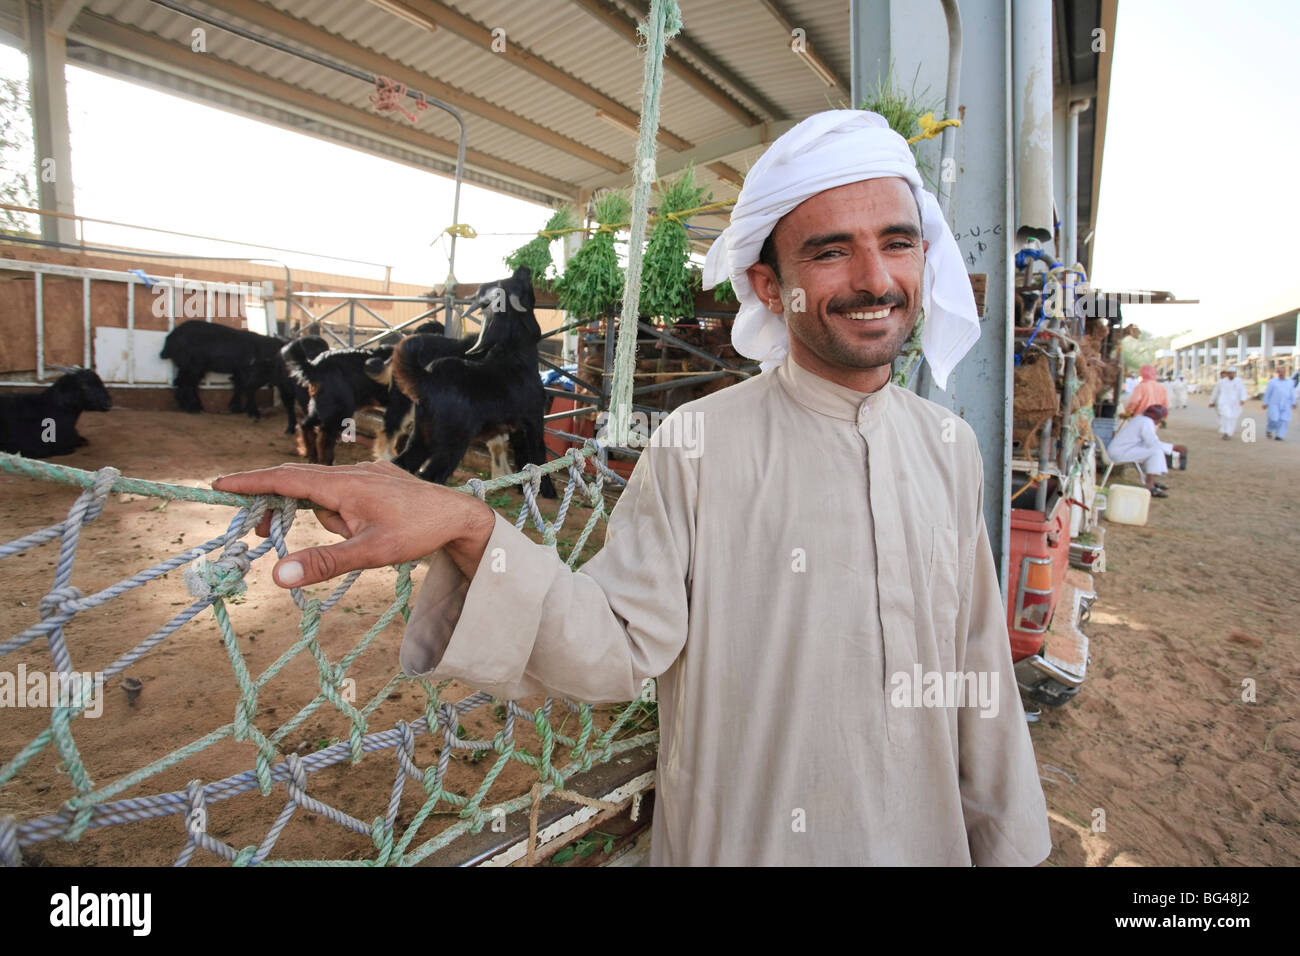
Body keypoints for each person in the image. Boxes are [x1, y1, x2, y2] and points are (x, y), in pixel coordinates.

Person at [212, 110, 1051, 867]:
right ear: (767, 284)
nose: (874, 278)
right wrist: (470, 526)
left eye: (896, 242)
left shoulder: (949, 447)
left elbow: (977, 664)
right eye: (829, 251)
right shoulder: (698, 444)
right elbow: (612, 644)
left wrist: (1007, 846)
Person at [1107, 405, 1183, 497]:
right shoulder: (1146, 422)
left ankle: (1151, 481)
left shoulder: (1142, 419)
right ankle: (1149, 485)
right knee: (1156, 451)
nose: (1160, 421)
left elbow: (1149, 442)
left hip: (1122, 450)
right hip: (1119, 453)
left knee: (1153, 451)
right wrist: (1173, 447)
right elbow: (1153, 443)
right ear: (1157, 417)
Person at [1208, 368, 1247, 439]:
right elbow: (1215, 392)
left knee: (1233, 418)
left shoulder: (1239, 381)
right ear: (1227, 374)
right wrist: (1211, 401)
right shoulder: (1221, 382)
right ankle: (1226, 432)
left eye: (1232, 373)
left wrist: (1243, 399)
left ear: (1235, 373)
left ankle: (1229, 433)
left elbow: (1243, 390)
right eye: (1229, 373)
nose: (1231, 374)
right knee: (1226, 416)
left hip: (1235, 403)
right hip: (1224, 402)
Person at [1263, 367, 1297, 440]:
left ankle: (1279, 435)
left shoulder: (1290, 382)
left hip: (1286, 404)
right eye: (1279, 372)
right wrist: (1265, 402)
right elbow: (1268, 393)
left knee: (1284, 420)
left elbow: (1292, 393)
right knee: (1274, 418)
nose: (1281, 374)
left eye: (1282, 372)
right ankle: (1269, 429)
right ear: (1277, 373)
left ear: (1285, 372)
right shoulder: (1272, 382)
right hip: (1274, 403)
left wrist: (1294, 402)